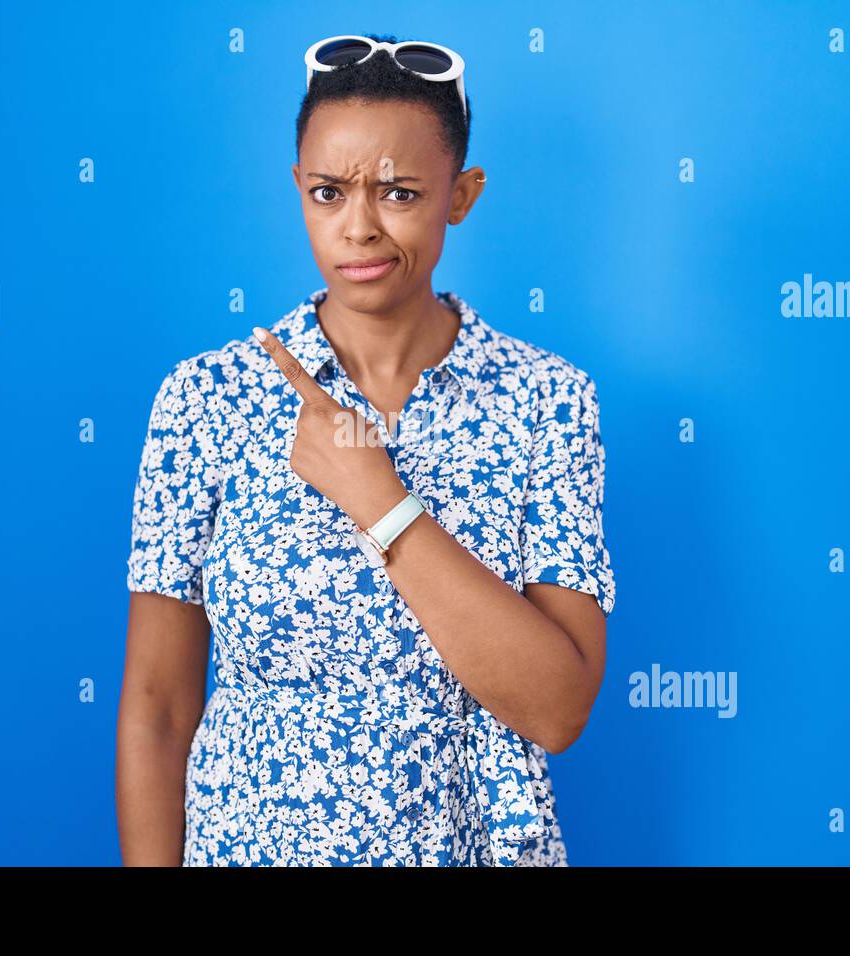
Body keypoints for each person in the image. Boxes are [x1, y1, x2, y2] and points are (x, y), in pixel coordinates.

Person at [116, 33, 615, 866]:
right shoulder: (207, 399)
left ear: (461, 195)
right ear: (298, 191)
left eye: (400, 193)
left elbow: (558, 708)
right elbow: (159, 708)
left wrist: (381, 503)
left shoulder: (547, 402)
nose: (360, 228)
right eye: (327, 192)